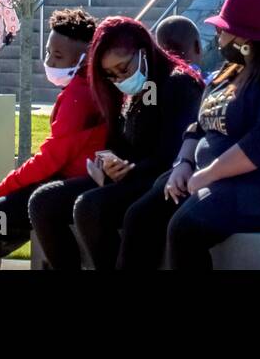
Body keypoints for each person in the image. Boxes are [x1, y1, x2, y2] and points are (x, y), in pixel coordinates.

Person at [118, 0, 260, 270]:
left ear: (246, 36)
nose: (218, 35)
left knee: (187, 226)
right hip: (223, 179)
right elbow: (200, 124)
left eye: (224, 29)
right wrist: (183, 163)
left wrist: (208, 174)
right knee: (141, 217)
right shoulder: (231, 70)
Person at [29, 16, 202, 270]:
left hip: (160, 180)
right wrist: (110, 164)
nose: (120, 78)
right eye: (110, 74)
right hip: (129, 177)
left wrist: (129, 170)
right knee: (42, 201)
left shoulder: (177, 84)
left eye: (123, 68)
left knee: (90, 207)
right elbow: (121, 143)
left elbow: (171, 154)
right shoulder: (128, 91)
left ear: (143, 51)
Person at [0, 8, 107, 270]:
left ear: (86, 58)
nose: (50, 62)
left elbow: (49, 159)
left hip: (64, 184)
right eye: (49, 52)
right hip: (67, 181)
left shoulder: (79, 95)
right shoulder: (86, 88)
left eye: (58, 56)